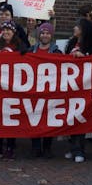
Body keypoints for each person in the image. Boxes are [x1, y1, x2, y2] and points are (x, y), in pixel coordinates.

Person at [0, 20, 27, 161]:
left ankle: (10, 146)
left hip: (12, 87)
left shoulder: (20, 46)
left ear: (13, 31)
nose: (6, 32)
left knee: (10, 117)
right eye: (3, 30)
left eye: (8, 30)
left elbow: (26, 60)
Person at [64, 18, 92, 162]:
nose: (74, 28)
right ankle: (73, 148)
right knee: (70, 117)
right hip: (70, 86)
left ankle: (80, 150)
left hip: (84, 87)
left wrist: (84, 57)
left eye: (77, 26)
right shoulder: (72, 43)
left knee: (81, 117)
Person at [30, 22, 62, 159]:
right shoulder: (31, 50)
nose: (45, 35)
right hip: (33, 90)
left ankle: (47, 147)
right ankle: (36, 147)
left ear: (51, 35)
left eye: (47, 33)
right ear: (39, 35)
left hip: (50, 91)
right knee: (34, 118)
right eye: (42, 33)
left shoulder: (57, 52)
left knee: (49, 118)